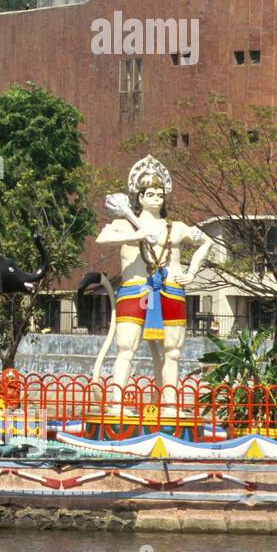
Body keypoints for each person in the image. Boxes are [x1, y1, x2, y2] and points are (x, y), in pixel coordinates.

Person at [96, 155, 213, 395]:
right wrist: (135, 236)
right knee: (126, 349)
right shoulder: (126, 224)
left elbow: (206, 242)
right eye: (150, 194)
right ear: (139, 197)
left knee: (173, 351)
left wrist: (192, 272)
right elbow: (102, 239)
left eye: (160, 195)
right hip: (136, 290)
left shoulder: (176, 227)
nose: (156, 199)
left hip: (170, 288)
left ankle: (169, 404)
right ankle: (117, 404)